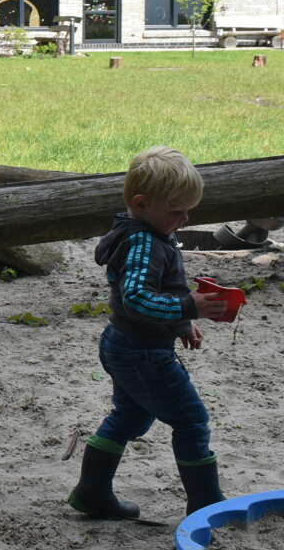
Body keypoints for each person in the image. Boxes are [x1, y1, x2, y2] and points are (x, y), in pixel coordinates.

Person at [68, 146, 229, 521]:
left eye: (189, 210)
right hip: (142, 352)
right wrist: (190, 306)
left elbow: (159, 291)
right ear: (141, 204)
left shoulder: (145, 231)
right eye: (177, 211)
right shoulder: (143, 243)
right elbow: (138, 299)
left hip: (126, 344)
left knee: (130, 416)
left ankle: (92, 491)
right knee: (190, 420)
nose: (185, 219)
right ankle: (205, 506)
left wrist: (180, 323)